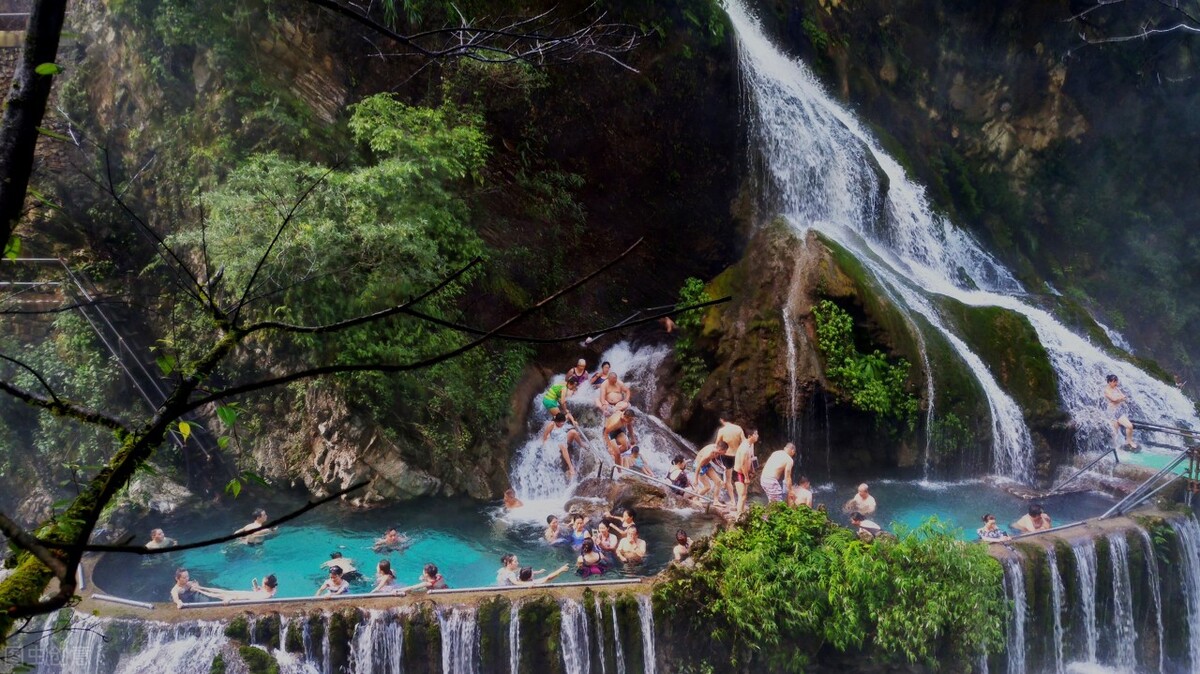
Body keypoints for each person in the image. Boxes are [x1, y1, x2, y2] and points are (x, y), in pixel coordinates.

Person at [541, 412, 583, 479]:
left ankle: (582, 444)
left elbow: (569, 414)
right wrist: (545, 446)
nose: (562, 424)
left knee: (573, 432)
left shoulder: (562, 419)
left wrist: (573, 421)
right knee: (563, 446)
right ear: (557, 421)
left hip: (564, 438)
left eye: (563, 423)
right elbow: (544, 436)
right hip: (556, 443)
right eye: (561, 423)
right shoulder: (551, 425)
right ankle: (571, 467)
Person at [716, 417, 746, 504]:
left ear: (722, 419)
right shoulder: (738, 429)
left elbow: (717, 444)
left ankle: (733, 501)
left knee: (728, 480)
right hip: (737, 456)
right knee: (738, 478)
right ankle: (741, 499)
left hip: (726, 456)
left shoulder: (722, 430)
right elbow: (744, 443)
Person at [1104, 374, 1138, 450]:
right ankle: (1115, 448)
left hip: (1118, 411)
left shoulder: (1116, 389)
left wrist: (1118, 398)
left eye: (1116, 381)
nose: (1116, 383)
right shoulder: (1106, 390)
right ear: (1109, 382)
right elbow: (1113, 399)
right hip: (1111, 413)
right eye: (1114, 382)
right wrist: (1119, 398)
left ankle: (1129, 441)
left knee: (1129, 426)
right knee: (1114, 433)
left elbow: (1124, 397)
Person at [193, 574, 279, 604]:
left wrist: (231, 599)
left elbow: (248, 599)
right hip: (245, 593)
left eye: (263, 583)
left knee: (220, 595)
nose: (261, 583)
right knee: (223, 591)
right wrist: (259, 589)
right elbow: (267, 590)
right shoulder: (272, 588)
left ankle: (197, 590)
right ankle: (199, 587)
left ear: (267, 586)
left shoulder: (266, 596)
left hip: (242, 596)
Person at [733, 429, 759, 514]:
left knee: (745, 494)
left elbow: (751, 458)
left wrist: (752, 469)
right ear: (749, 436)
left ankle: (742, 511)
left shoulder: (751, 445)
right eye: (755, 434)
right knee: (742, 495)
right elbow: (742, 463)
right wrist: (746, 477)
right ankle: (739, 515)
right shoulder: (744, 447)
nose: (757, 436)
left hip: (746, 473)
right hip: (739, 473)